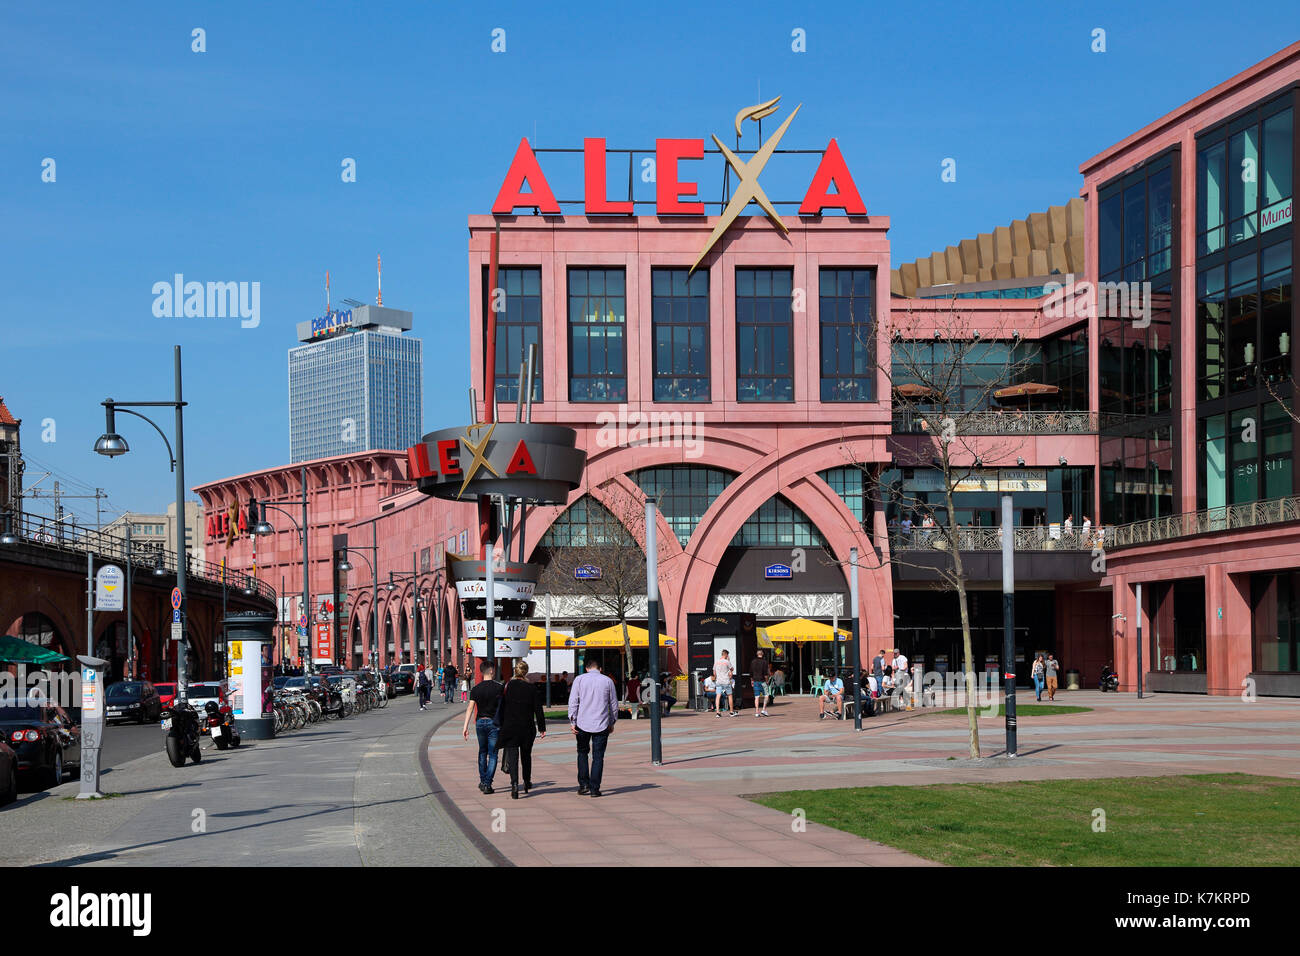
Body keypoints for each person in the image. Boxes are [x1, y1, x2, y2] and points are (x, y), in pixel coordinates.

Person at [567, 657, 618, 797]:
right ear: (600, 669)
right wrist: (612, 721)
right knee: (598, 757)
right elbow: (613, 704)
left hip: (582, 723)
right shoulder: (607, 681)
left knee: (582, 753)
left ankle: (584, 785)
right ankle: (595, 788)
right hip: (601, 723)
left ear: (587, 668)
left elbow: (573, 701)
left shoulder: (579, 679)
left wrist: (572, 720)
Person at [496, 660, 546, 798]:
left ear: (515, 670)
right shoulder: (531, 688)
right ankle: (526, 780)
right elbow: (538, 709)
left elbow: (501, 706)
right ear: (526, 672)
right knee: (526, 755)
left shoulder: (507, 686)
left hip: (510, 726)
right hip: (527, 727)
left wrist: (500, 724)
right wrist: (542, 727)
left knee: (513, 757)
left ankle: (514, 784)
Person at [462, 662, 504, 794]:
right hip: (493, 723)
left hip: (480, 722)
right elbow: (503, 707)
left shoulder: (476, 689)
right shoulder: (499, 688)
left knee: (482, 752)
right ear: (491, 671)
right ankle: (487, 784)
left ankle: (482, 780)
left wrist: (465, 727)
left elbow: (470, 708)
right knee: (493, 754)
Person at [713, 649, 737, 717]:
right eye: (727, 655)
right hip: (726, 681)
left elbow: (714, 673)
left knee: (718, 696)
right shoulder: (727, 662)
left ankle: (718, 712)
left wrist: (717, 677)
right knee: (729, 695)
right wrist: (728, 661)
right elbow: (732, 669)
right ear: (726, 654)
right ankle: (731, 712)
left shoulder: (716, 662)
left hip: (719, 681)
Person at [750, 649, 771, 717]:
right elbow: (765, 673)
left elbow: (751, 672)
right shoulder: (764, 662)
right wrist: (767, 680)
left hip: (755, 681)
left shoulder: (753, 662)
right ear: (762, 654)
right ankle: (764, 709)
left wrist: (752, 680)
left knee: (756, 697)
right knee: (766, 695)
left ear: (757, 654)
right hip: (762, 681)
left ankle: (756, 712)